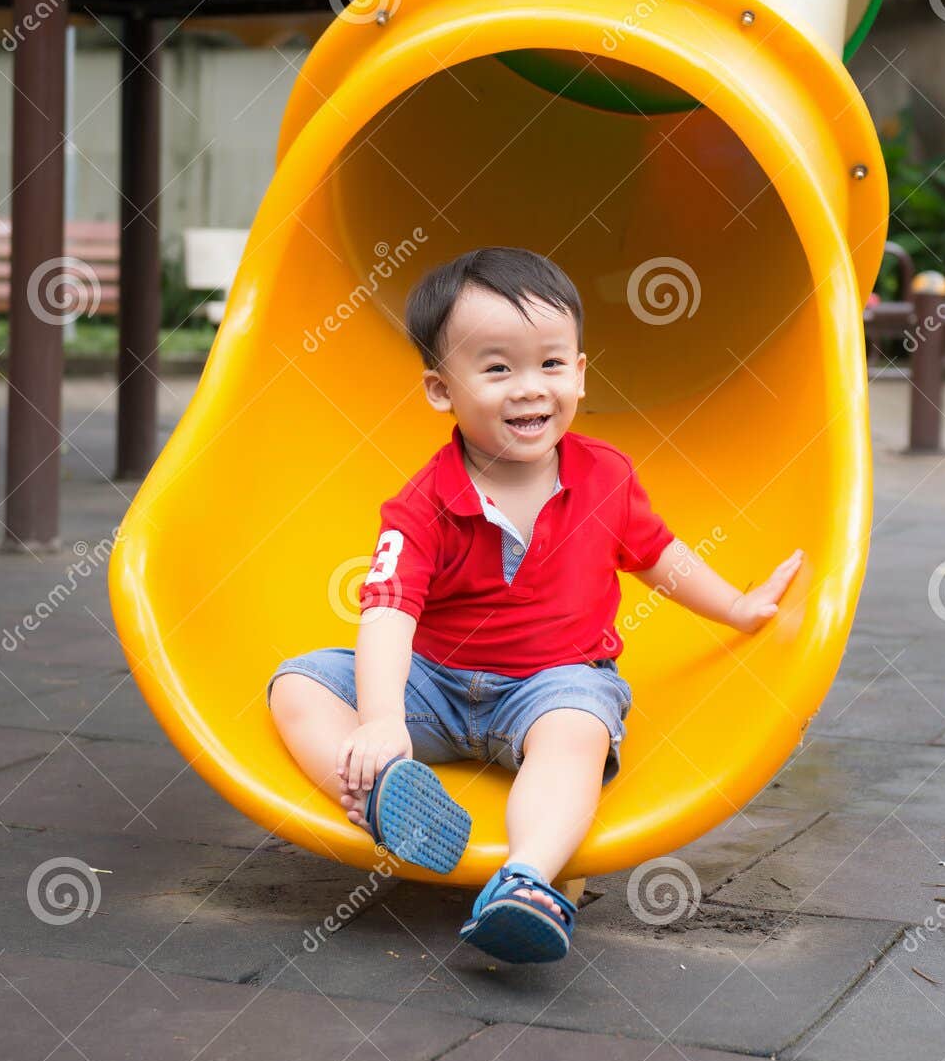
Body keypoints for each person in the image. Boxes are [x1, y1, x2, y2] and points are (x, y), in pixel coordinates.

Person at [267, 246, 801, 964]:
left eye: (550, 365)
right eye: (496, 368)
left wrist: (737, 608)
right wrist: (384, 720)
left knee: (578, 730)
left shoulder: (603, 475)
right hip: (438, 686)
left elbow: (656, 557)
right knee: (296, 684)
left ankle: (524, 881)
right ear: (439, 389)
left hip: (554, 683)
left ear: (579, 373)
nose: (530, 389)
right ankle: (380, 792)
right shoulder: (420, 505)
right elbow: (387, 612)